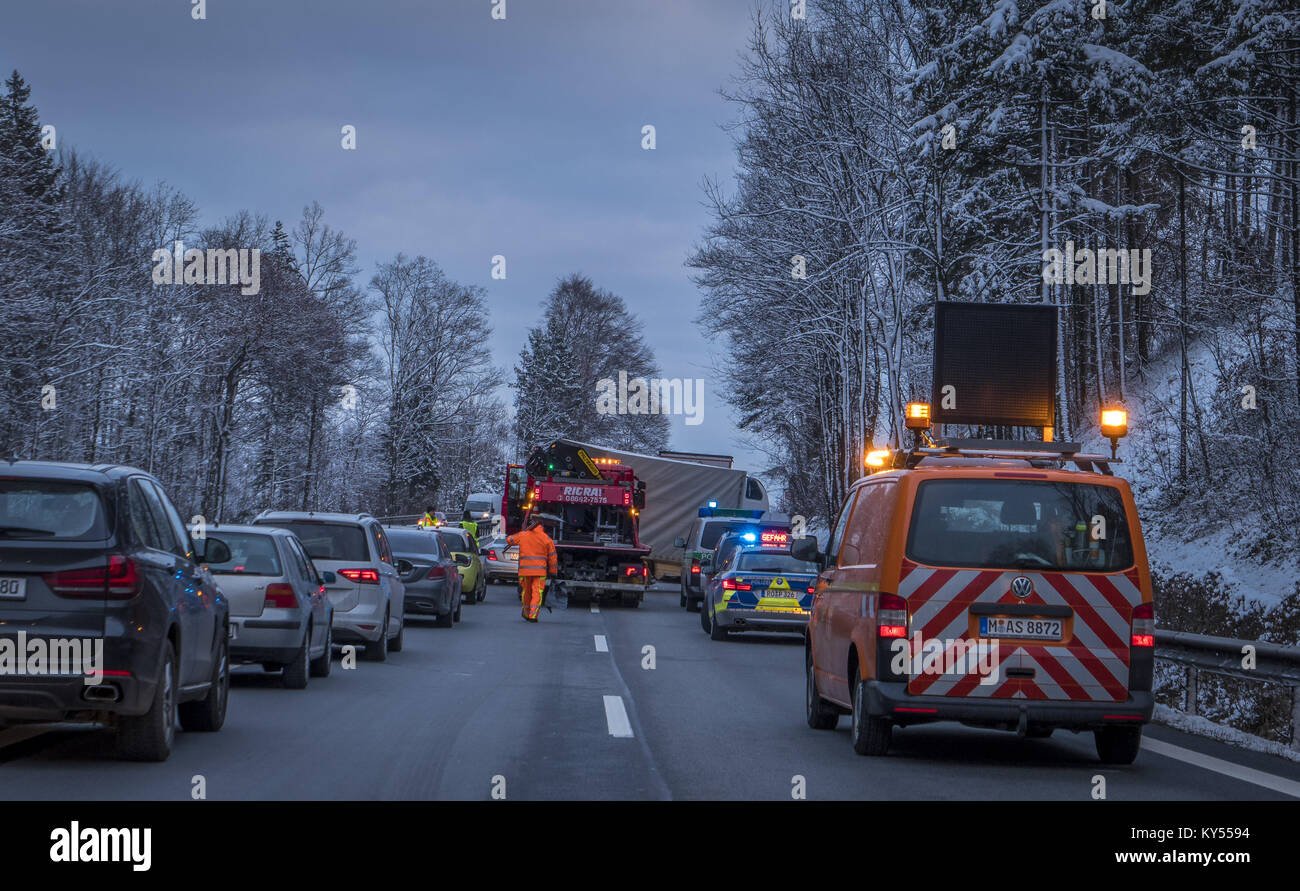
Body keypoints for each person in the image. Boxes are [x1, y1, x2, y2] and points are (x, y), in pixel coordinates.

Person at [507, 515, 557, 622]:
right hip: (540, 572)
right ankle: (533, 616)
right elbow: (553, 558)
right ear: (541, 527)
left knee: (526, 592)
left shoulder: (523, 535)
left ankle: (525, 613)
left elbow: (509, 540)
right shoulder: (546, 539)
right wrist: (553, 572)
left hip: (525, 571)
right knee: (537, 592)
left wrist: (521, 532)